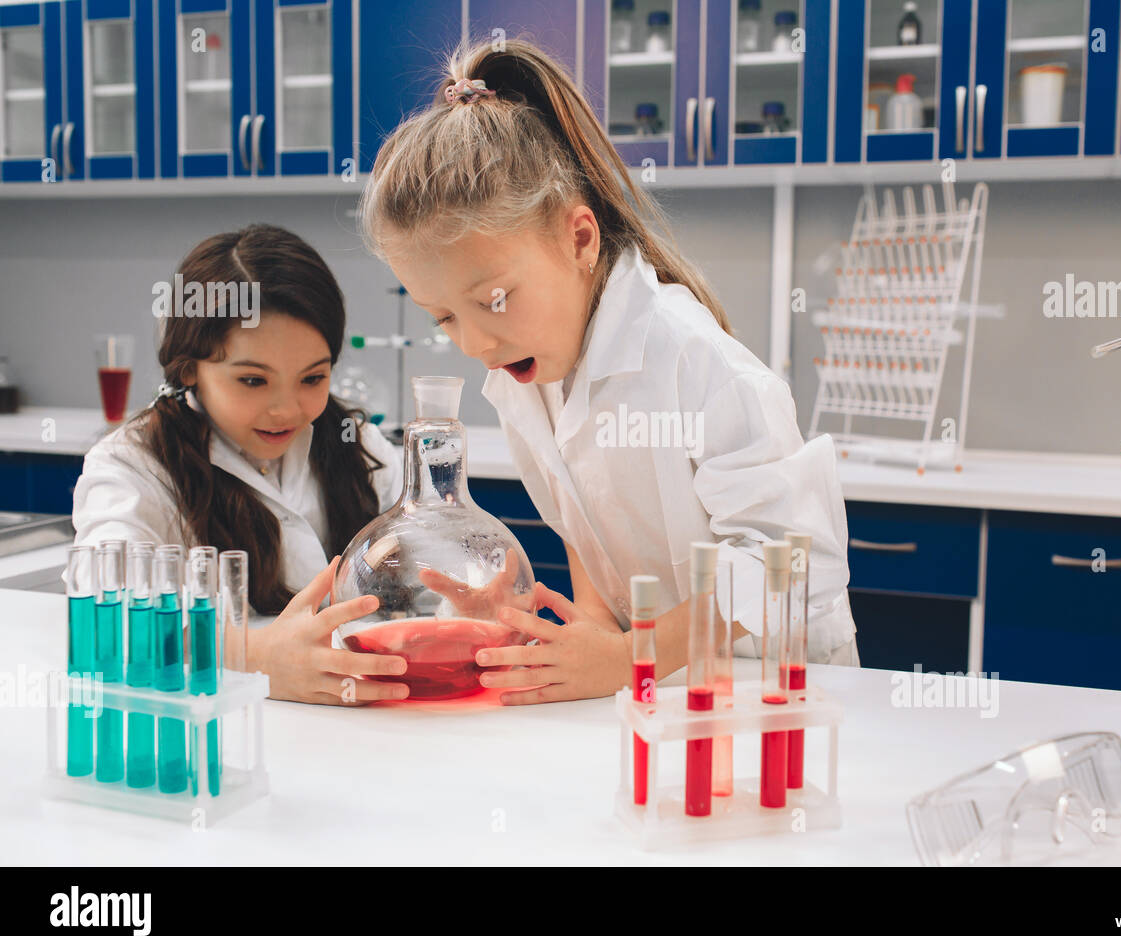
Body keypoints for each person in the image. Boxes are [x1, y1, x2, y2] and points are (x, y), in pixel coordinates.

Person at [358, 38, 859, 705]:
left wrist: (628, 656)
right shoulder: (525, 373)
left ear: (581, 239)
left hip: (771, 686)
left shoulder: (691, 358)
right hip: (660, 686)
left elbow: (788, 563)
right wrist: (580, 630)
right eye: (444, 317)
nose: (475, 342)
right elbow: (584, 523)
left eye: (494, 300)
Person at [70, 224, 412, 705]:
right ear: (189, 368)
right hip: (220, 735)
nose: (287, 410)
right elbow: (110, 612)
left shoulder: (358, 444)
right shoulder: (134, 465)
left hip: (364, 729)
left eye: (312, 377)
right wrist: (251, 655)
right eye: (253, 381)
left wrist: (457, 596)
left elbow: (411, 584)